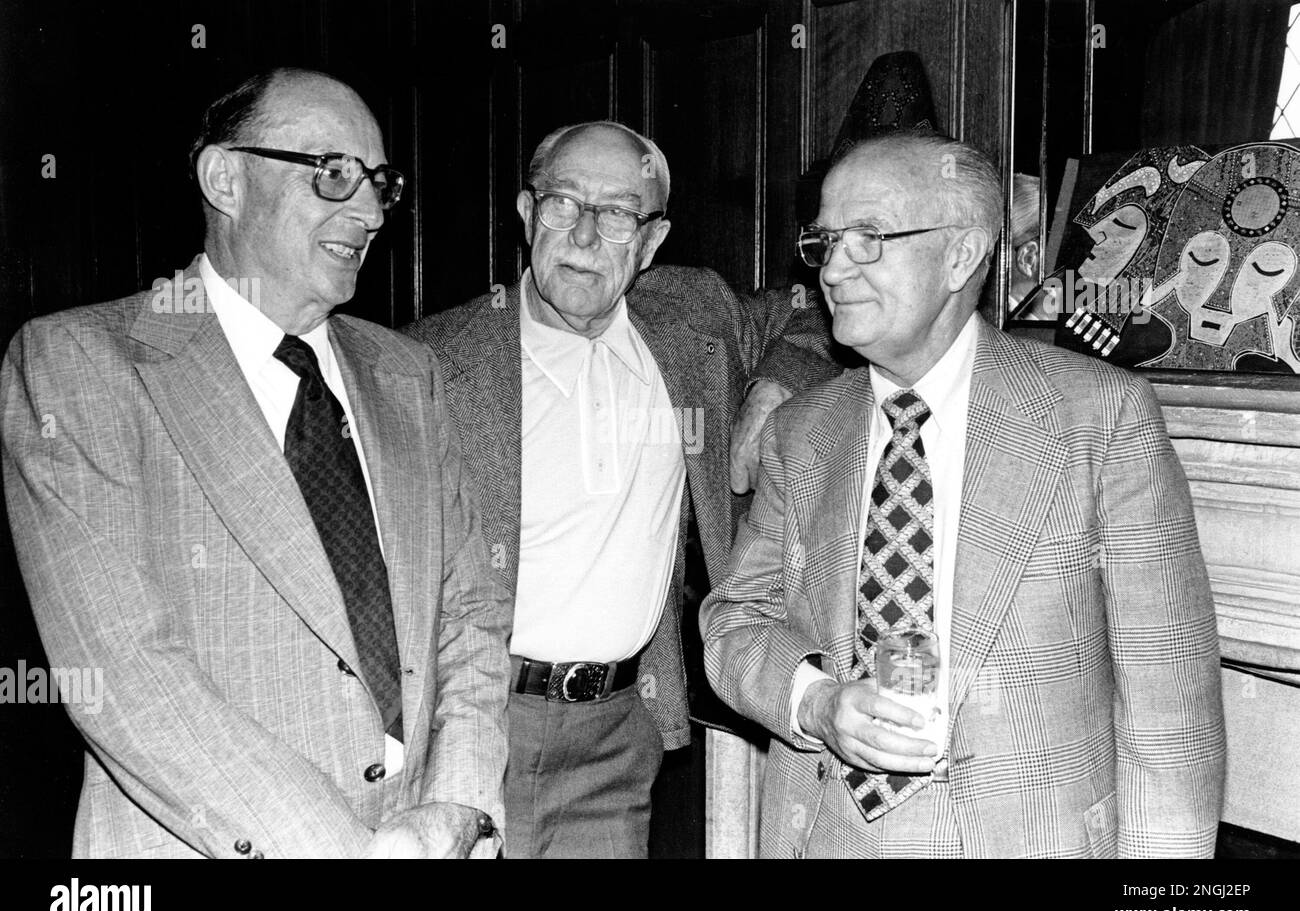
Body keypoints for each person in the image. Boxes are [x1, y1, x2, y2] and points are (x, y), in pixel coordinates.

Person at [0, 68, 510, 858]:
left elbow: (470, 612)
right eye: (333, 173)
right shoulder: (82, 363)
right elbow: (126, 676)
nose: (371, 212)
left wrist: (460, 806)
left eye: (380, 183)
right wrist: (357, 853)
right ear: (224, 179)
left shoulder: (408, 373)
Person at [701, 128, 1226, 858]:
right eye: (825, 241)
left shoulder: (1100, 416)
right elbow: (735, 618)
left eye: (869, 237)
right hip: (828, 834)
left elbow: (1170, 702)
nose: (834, 269)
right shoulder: (801, 430)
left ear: (961, 255)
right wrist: (815, 702)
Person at [404, 120, 837, 858]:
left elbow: (813, 312)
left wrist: (774, 385)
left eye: (616, 215)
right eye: (563, 203)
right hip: (476, 728)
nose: (582, 235)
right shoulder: (432, 360)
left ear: (651, 240)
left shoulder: (690, 319)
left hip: (618, 736)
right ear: (526, 213)